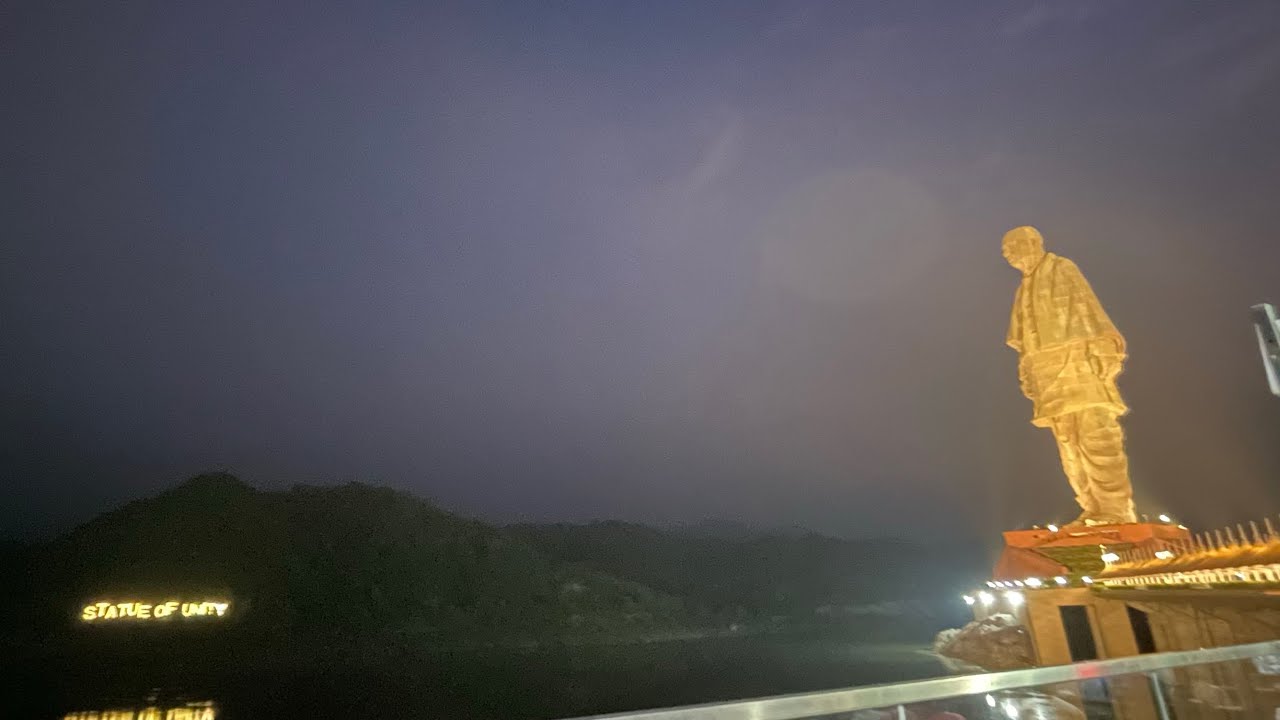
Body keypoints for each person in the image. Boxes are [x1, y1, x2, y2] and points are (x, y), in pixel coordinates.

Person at [1003, 226, 1137, 526]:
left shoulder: (1061, 268)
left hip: (1077, 364)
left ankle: (1115, 509)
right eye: (1005, 250)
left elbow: (1088, 310)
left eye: (1012, 245)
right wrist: (1027, 370)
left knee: (1097, 435)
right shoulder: (1023, 288)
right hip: (1048, 376)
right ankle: (1093, 508)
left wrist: (1104, 349)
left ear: (1033, 243)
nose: (1008, 254)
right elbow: (1023, 340)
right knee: (1069, 445)